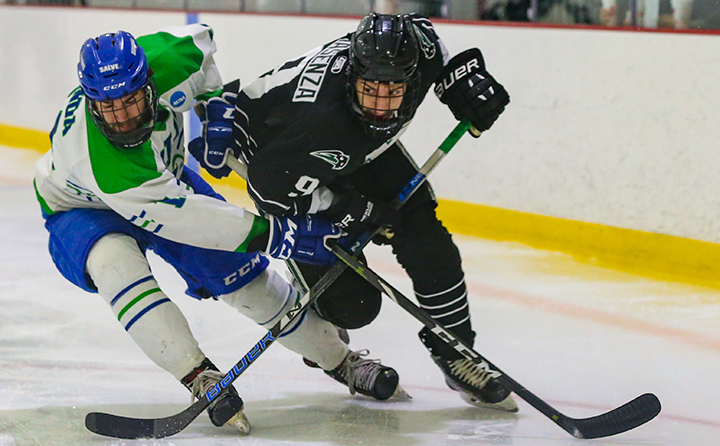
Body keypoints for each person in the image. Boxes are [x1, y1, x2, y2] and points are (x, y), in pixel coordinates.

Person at [33, 25, 405, 435]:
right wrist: (277, 233)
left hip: (165, 181)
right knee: (115, 265)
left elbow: (203, 44)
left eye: (131, 101)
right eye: (109, 108)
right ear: (91, 102)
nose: (123, 119)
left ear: (148, 82)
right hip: (82, 207)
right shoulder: (106, 165)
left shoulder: (169, 58)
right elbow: (192, 220)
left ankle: (340, 360)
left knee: (246, 281)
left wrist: (214, 104)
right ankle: (199, 377)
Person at [192, 13, 517, 412]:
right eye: (370, 89)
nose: (381, 105)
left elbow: (429, 36)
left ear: (411, 78)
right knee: (355, 306)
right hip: (288, 168)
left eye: (393, 90)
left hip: (357, 150)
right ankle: (314, 299)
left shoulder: (418, 51)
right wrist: (354, 209)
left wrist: (457, 80)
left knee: (430, 244)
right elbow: (272, 192)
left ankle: (456, 352)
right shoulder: (318, 118)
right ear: (351, 78)